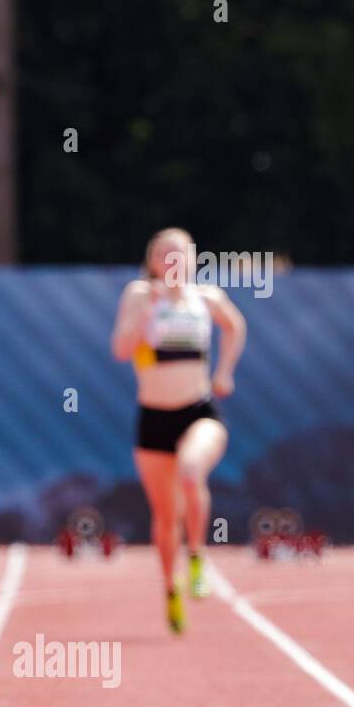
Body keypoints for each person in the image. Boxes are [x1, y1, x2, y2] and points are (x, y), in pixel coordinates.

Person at [111, 228, 246, 633]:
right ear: (153, 261)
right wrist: (147, 313)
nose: (172, 261)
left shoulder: (206, 298)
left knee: (191, 473)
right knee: (165, 516)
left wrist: (224, 372)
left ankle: (198, 557)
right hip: (153, 417)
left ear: (192, 259)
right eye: (164, 255)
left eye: (180, 254)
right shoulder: (138, 294)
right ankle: (171, 588)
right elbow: (120, 350)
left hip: (198, 409)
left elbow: (236, 327)